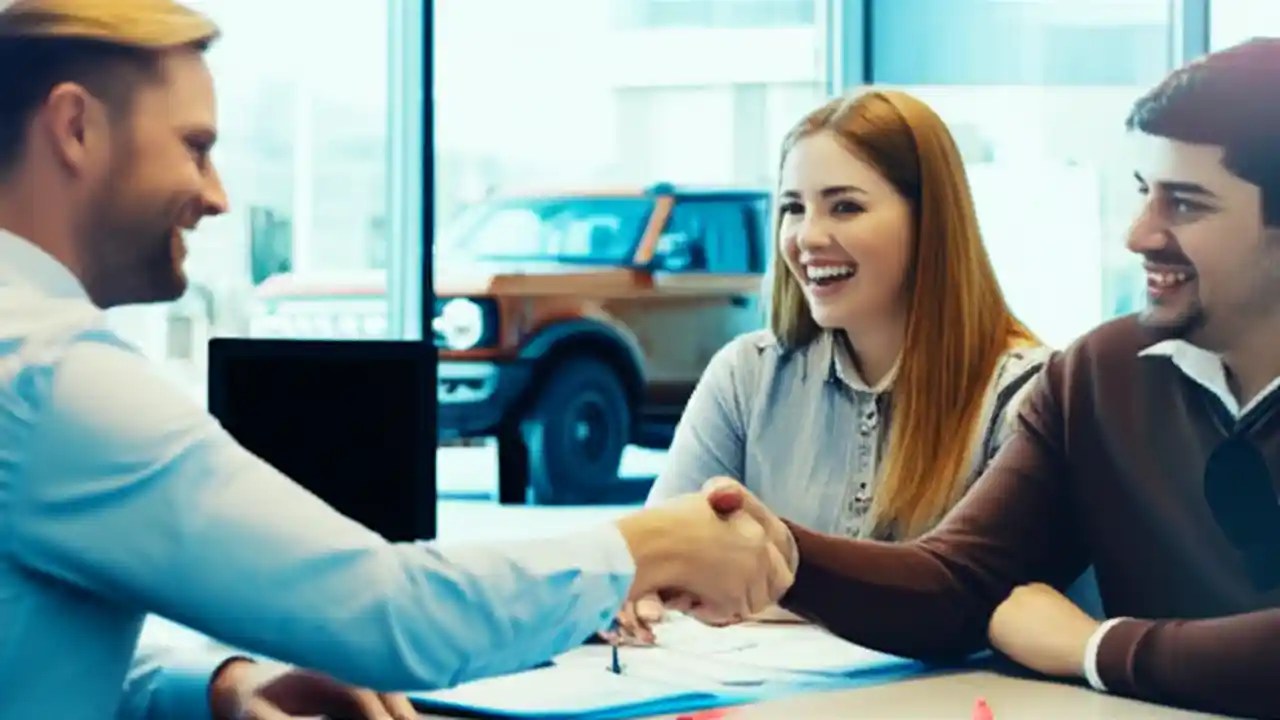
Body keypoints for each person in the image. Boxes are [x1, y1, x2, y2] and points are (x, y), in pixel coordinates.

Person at [0, 2, 797, 719]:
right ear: (75, 128)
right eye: (195, 147)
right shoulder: (50, 373)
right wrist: (651, 548)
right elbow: (388, 611)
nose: (219, 196)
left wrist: (215, 689)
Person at [709, 38, 1280, 720]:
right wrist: (775, 547)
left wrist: (1094, 647)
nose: (1139, 234)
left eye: (1185, 205)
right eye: (1141, 195)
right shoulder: (1098, 380)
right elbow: (956, 586)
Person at [622, 89, 1051, 638]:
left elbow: (992, 609)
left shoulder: (1027, 396)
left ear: (932, 224)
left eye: (845, 206)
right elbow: (660, 568)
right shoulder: (746, 376)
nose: (807, 237)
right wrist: (635, 595)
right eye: (793, 208)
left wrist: (753, 579)